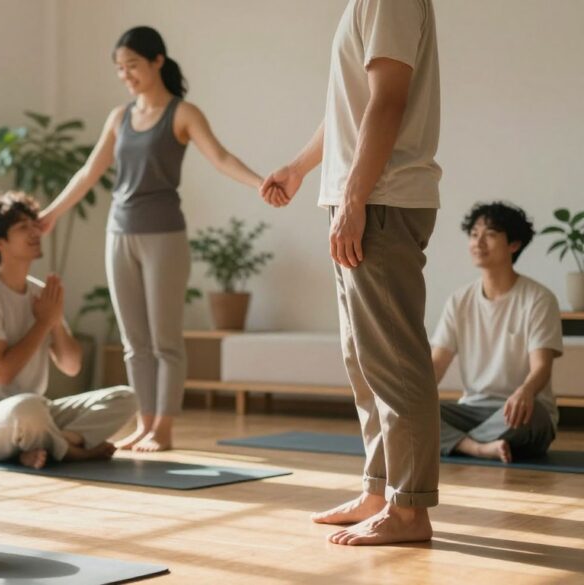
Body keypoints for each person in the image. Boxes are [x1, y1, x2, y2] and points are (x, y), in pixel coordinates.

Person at [261, 0, 442, 545]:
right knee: (363, 358)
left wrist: (356, 198)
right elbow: (353, 107)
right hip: (361, 199)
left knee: (393, 360)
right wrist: (299, 168)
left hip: (379, 200)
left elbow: (388, 102)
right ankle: (380, 489)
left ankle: (409, 510)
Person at [37, 26, 266, 452]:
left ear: (157, 61)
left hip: (164, 236)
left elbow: (220, 158)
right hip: (118, 233)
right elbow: (89, 173)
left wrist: (260, 183)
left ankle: (164, 428)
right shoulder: (119, 117)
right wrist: (50, 214)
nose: (126, 75)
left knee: (165, 340)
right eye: (120, 69)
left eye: (133, 66)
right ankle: (144, 424)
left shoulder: (183, 113)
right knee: (134, 343)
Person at [0, 191, 138, 469]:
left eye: (34, 224)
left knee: (126, 397)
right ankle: (74, 451)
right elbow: (3, 374)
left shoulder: (41, 295)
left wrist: (53, 322)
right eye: (22, 228)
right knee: (27, 408)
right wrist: (42, 323)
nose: (35, 232)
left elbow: (72, 365)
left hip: (39, 412)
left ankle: (47, 444)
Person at [432, 202, 562, 463]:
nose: (478, 242)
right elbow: (436, 364)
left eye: (490, 234)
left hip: (521, 412)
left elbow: (541, 368)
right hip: (471, 409)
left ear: (514, 245)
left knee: (534, 414)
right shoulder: (460, 300)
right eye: (474, 234)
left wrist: (524, 391)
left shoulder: (539, 298)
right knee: (409, 410)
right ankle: (478, 448)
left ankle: (453, 441)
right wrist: (409, 400)